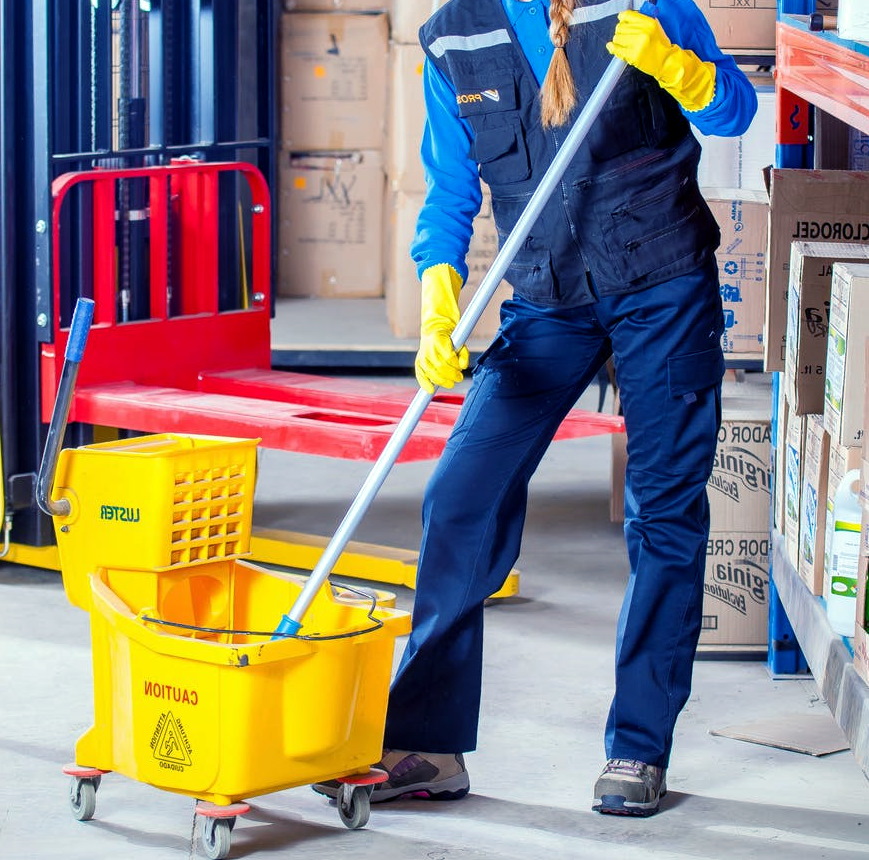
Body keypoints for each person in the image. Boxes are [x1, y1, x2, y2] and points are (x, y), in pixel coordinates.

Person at [315, 0, 757, 816]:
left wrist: (679, 68)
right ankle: (427, 743)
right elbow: (451, 191)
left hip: (661, 287)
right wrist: (438, 300)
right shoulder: (452, 35)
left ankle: (638, 747)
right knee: (461, 496)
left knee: (662, 513)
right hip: (547, 302)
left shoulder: (643, 5)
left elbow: (733, 112)